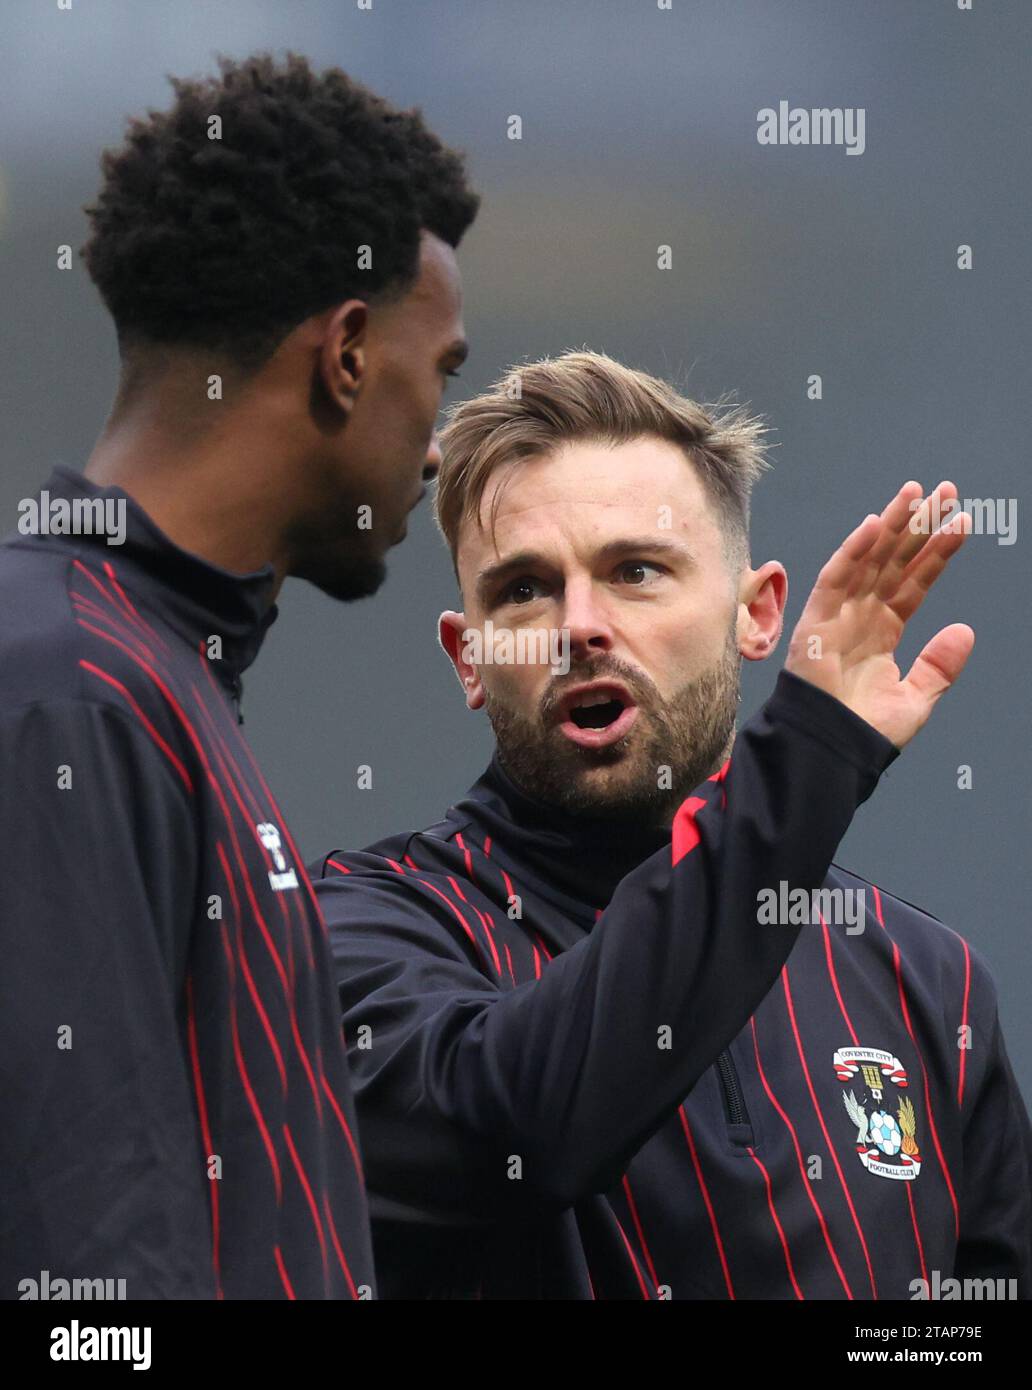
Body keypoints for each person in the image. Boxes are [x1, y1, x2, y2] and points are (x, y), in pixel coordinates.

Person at [312, 351, 1029, 1299]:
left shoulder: (926, 981)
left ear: (758, 612)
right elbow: (513, 1128)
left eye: (636, 571)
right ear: (469, 658)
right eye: (523, 589)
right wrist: (808, 756)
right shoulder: (360, 929)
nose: (580, 626)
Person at [0, 51, 477, 1300]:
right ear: (351, 353)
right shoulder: (68, 687)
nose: (438, 447)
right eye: (446, 374)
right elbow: (92, 1290)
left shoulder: (146, 670)